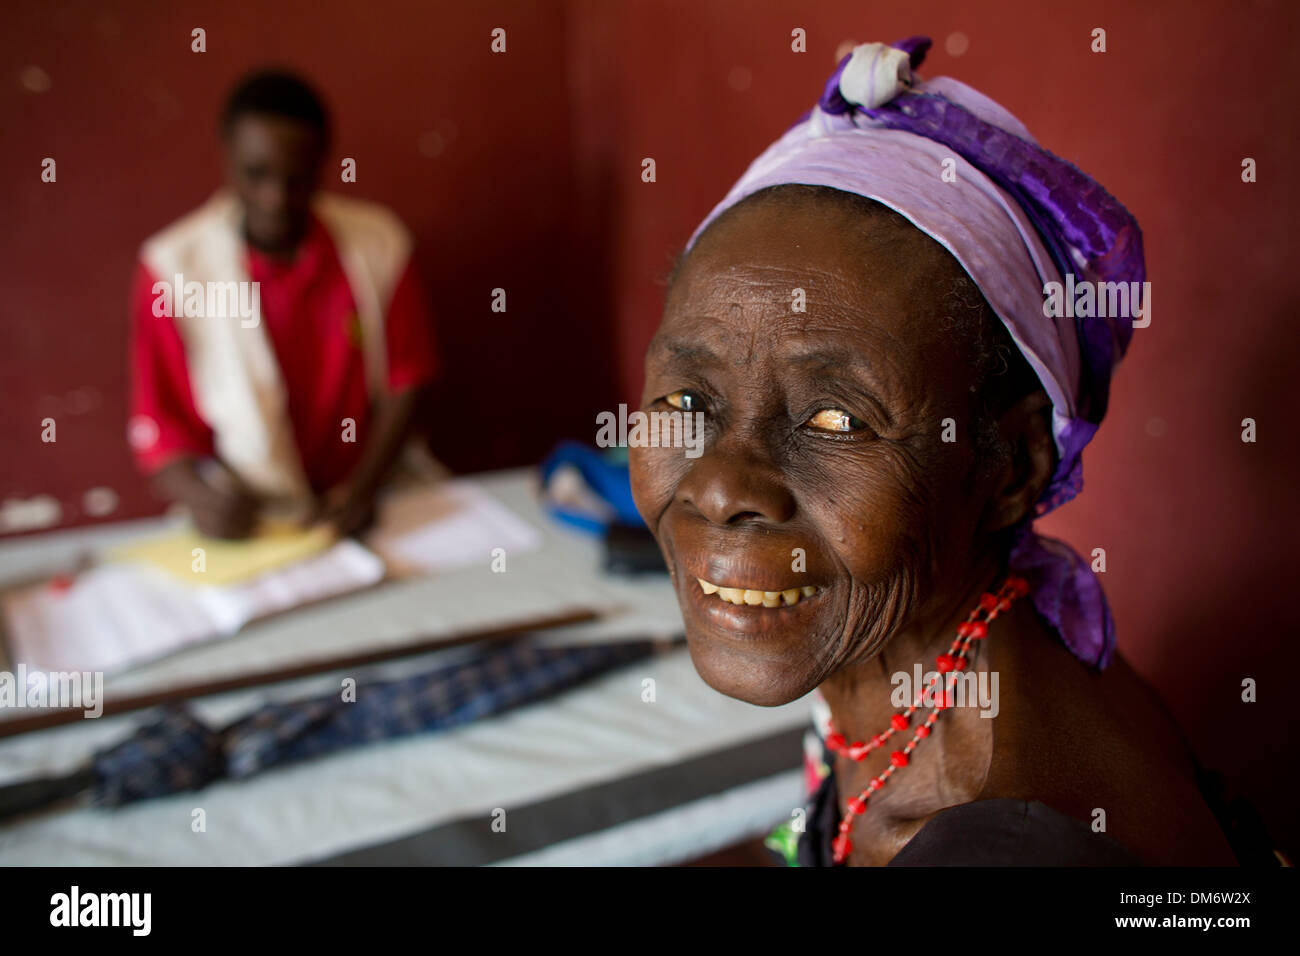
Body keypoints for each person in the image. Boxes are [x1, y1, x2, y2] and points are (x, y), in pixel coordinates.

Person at [628, 37, 1262, 865]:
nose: (719, 487)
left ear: (1014, 465)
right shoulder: (930, 674)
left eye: (834, 421)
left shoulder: (1009, 838)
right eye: (686, 402)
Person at [128, 70, 438, 539]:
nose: (276, 199)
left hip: (369, 497)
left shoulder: (380, 245)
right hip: (251, 515)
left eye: (297, 179)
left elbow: (407, 382)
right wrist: (201, 498)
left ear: (322, 164)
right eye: (256, 174)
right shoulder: (172, 269)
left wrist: (362, 489)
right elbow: (160, 424)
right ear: (227, 158)